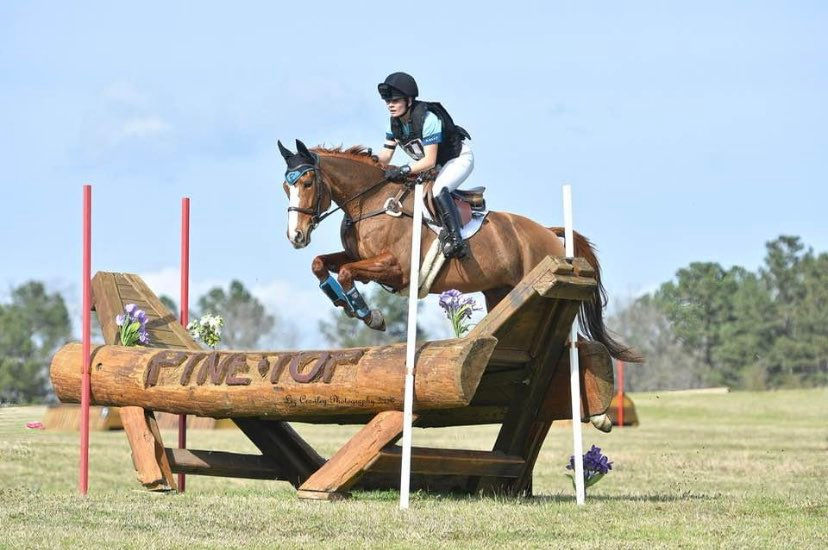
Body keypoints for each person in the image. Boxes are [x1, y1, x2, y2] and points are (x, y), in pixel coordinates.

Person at [376, 72, 473, 259]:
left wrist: (403, 169)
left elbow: (429, 160)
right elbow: (386, 155)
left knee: (438, 190)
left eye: (395, 100)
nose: (390, 105)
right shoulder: (394, 124)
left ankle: (456, 240)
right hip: (433, 167)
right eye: (388, 101)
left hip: (458, 159)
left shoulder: (428, 119)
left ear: (409, 100)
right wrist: (366, 164)